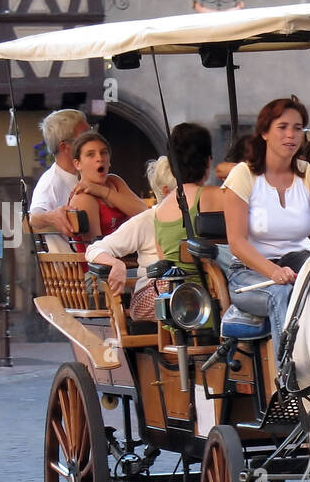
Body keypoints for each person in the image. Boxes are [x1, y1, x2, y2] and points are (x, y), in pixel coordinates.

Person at [222, 96, 310, 352]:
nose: (291, 134)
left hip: (299, 266)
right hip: (250, 275)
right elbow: (236, 243)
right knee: (283, 294)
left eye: (298, 128)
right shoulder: (243, 175)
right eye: (282, 127)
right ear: (264, 133)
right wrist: (273, 272)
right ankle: (289, 377)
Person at [86, 124, 213, 322]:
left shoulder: (206, 210)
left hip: (200, 289)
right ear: (167, 191)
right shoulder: (148, 220)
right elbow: (95, 249)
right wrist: (115, 264)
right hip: (164, 293)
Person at [66, 132, 149, 251]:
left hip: (130, 257)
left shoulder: (115, 181)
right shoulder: (83, 198)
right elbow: (96, 251)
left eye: (103, 152)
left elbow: (143, 212)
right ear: (77, 164)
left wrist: (103, 191)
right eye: (90, 154)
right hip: (106, 265)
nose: (99, 158)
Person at [28, 108, 89, 243]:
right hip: (76, 262)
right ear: (65, 147)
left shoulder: (89, 174)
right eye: (85, 135)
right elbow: (34, 216)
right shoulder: (51, 181)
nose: (93, 139)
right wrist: (51, 216)